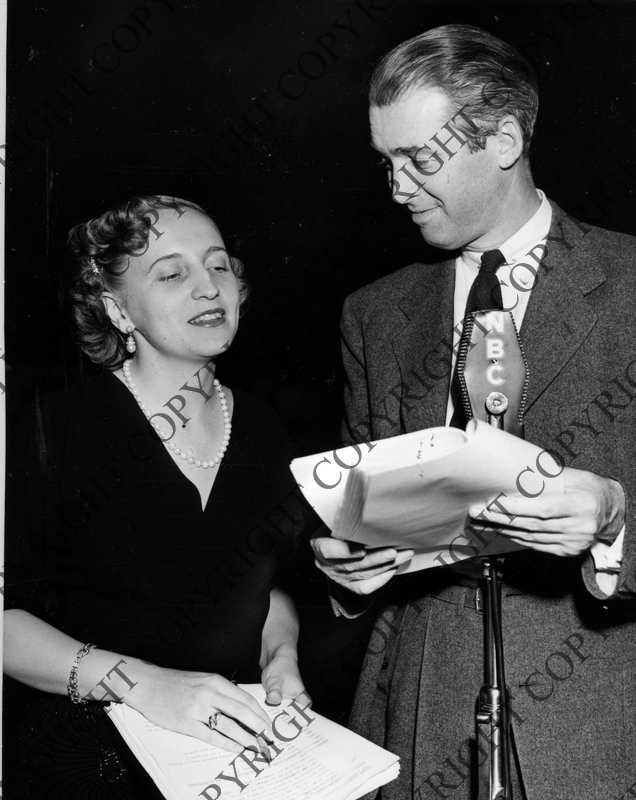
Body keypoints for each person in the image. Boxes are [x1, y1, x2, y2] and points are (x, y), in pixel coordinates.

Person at [311, 24, 636, 800]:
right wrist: (350, 568)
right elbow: (360, 512)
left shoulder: (629, 284)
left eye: (419, 159)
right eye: (385, 163)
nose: (396, 188)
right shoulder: (375, 315)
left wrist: (617, 522)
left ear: (503, 140)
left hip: (606, 713)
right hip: (423, 713)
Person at [4, 195, 309, 798]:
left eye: (219, 266)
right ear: (118, 311)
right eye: (172, 273)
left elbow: (269, 586)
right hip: (85, 759)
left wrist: (281, 657)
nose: (208, 288)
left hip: (232, 756)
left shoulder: (268, 430)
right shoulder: (50, 429)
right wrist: (138, 683)